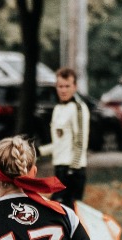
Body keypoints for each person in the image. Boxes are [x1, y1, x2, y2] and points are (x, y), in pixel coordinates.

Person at [39, 67, 89, 208]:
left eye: (67, 86)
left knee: (64, 211)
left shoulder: (78, 108)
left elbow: (80, 142)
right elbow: (59, 143)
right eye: (60, 86)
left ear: (75, 87)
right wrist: (39, 151)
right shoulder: (58, 109)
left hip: (73, 170)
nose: (63, 90)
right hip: (60, 168)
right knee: (58, 211)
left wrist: (72, 170)